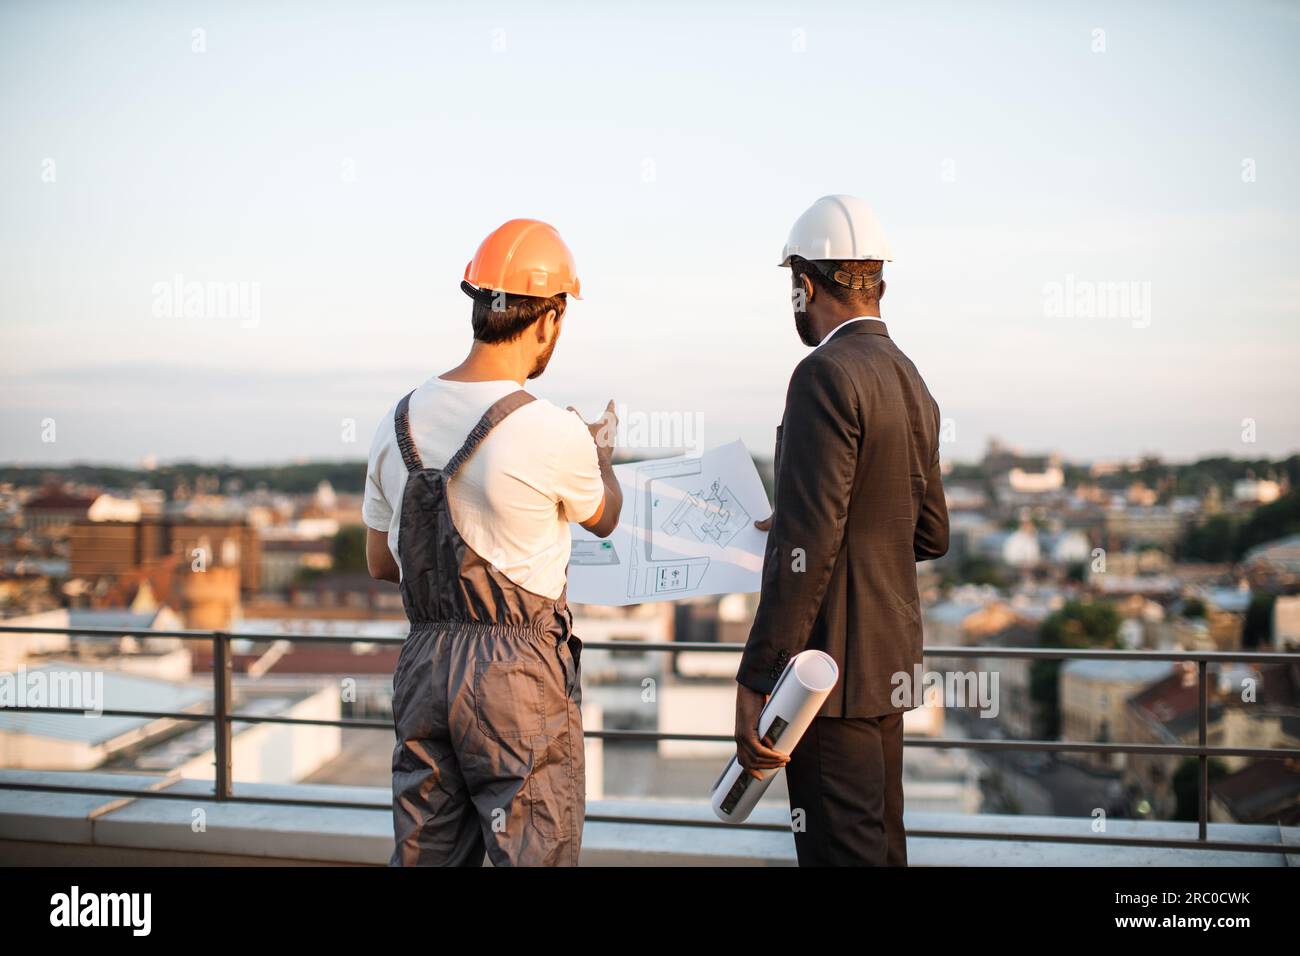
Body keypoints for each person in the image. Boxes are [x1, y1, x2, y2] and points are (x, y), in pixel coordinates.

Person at [363, 218, 622, 866]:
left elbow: (378, 562)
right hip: (517, 679)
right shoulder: (548, 429)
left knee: (427, 856)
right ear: (549, 318)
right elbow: (605, 517)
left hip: (424, 666)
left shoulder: (395, 421)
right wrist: (598, 452)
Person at [733, 195, 949, 866]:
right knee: (880, 848)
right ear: (877, 280)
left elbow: (808, 550)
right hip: (887, 672)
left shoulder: (823, 375)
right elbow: (930, 534)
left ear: (805, 284)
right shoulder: (909, 378)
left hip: (827, 683)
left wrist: (757, 680)